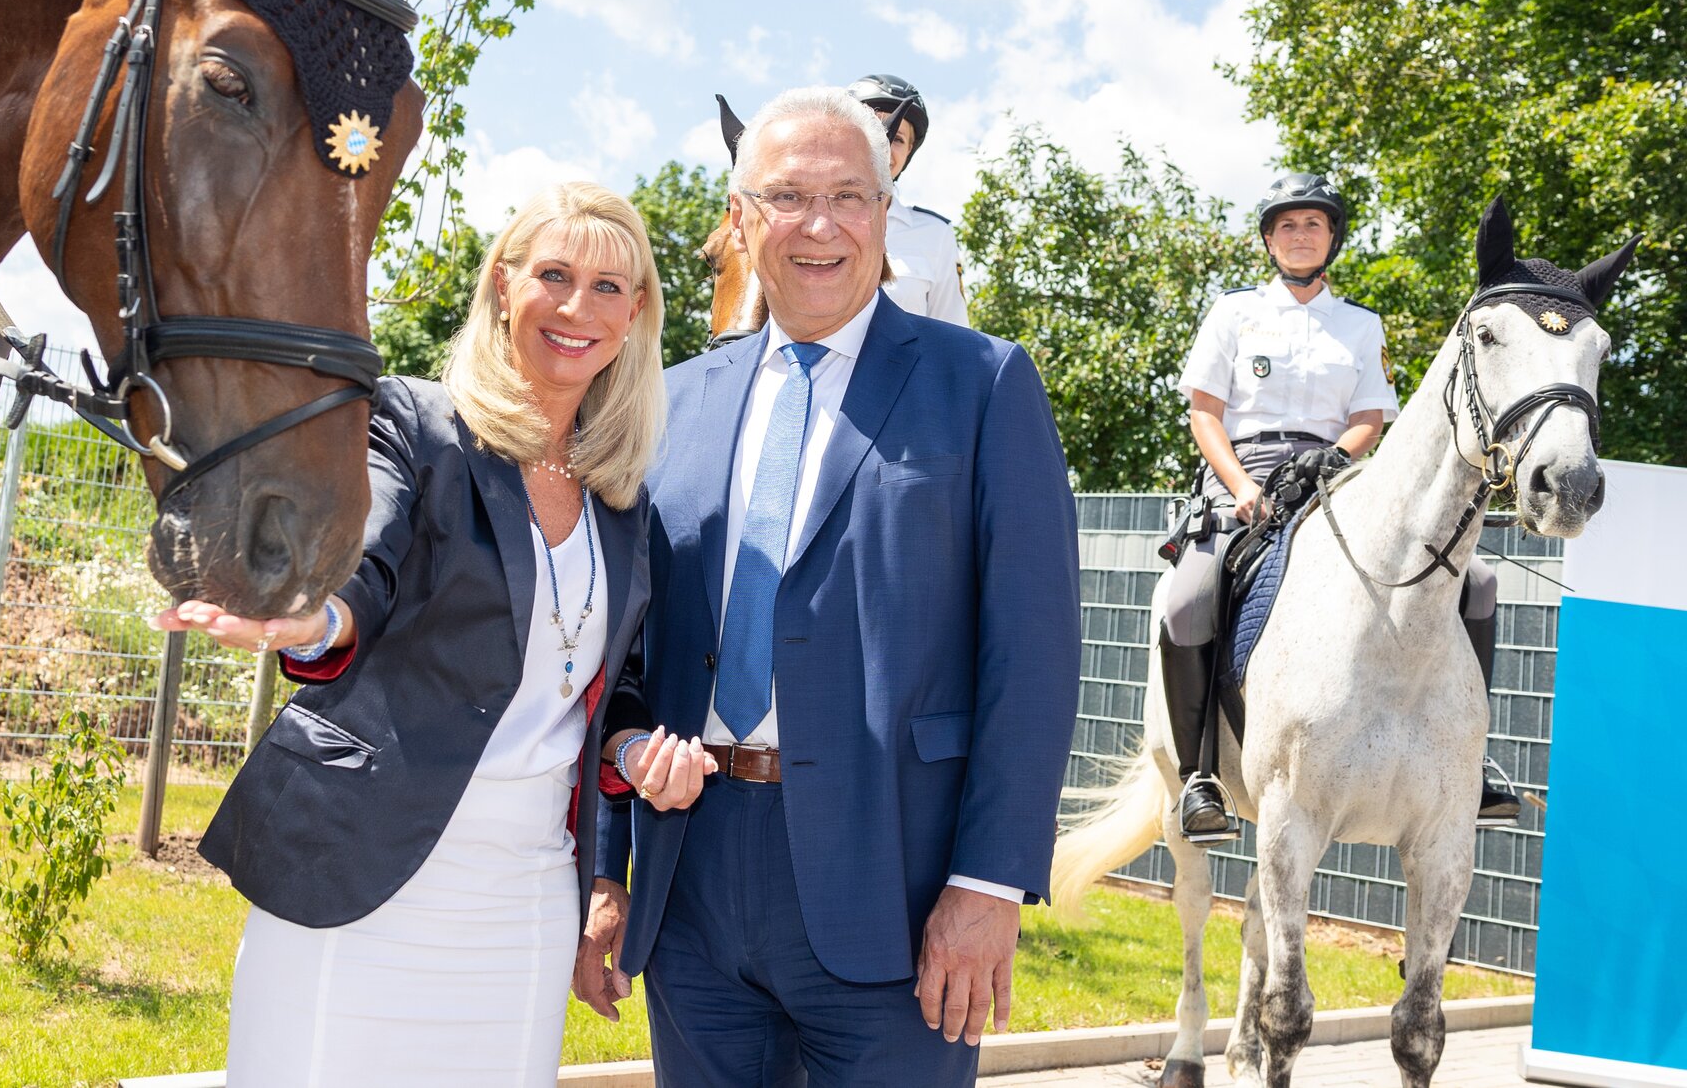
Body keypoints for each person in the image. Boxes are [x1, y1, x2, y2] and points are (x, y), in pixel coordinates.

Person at [584, 88, 1081, 1086]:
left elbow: (1030, 655)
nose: (819, 226)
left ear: (886, 216)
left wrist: (984, 885)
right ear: (740, 218)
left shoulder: (981, 386)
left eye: (849, 195)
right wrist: (607, 871)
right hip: (691, 887)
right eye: (787, 196)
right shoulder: (670, 401)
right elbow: (617, 652)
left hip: (894, 888)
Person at [169, 182, 709, 1088]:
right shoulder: (415, 425)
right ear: (504, 285)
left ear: (638, 312)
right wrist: (316, 614)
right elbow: (362, 569)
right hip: (360, 871)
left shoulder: (624, 498)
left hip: (526, 899)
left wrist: (636, 751)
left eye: (610, 286)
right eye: (554, 275)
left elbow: (605, 689)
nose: (579, 308)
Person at [1162, 173, 1520, 846]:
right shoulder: (1232, 313)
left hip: (1337, 474)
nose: (1301, 235)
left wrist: (1334, 459)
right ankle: (1197, 774)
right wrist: (1239, 485)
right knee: (1188, 596)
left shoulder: (1361, 324)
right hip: (1247, 476)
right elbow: (1204, 413)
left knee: (1476, 580)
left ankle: (1472, 761)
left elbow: (1369, 418)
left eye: (1314, 225)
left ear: (1332, 239)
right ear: (1269, 238)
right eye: (1288, 225)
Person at [846, 73, 969, 327]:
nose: (883, 145)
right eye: (871, 130)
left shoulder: (935, 234)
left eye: (898, 138)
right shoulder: (808, 221)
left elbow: (953, 332)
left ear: (909, 152)